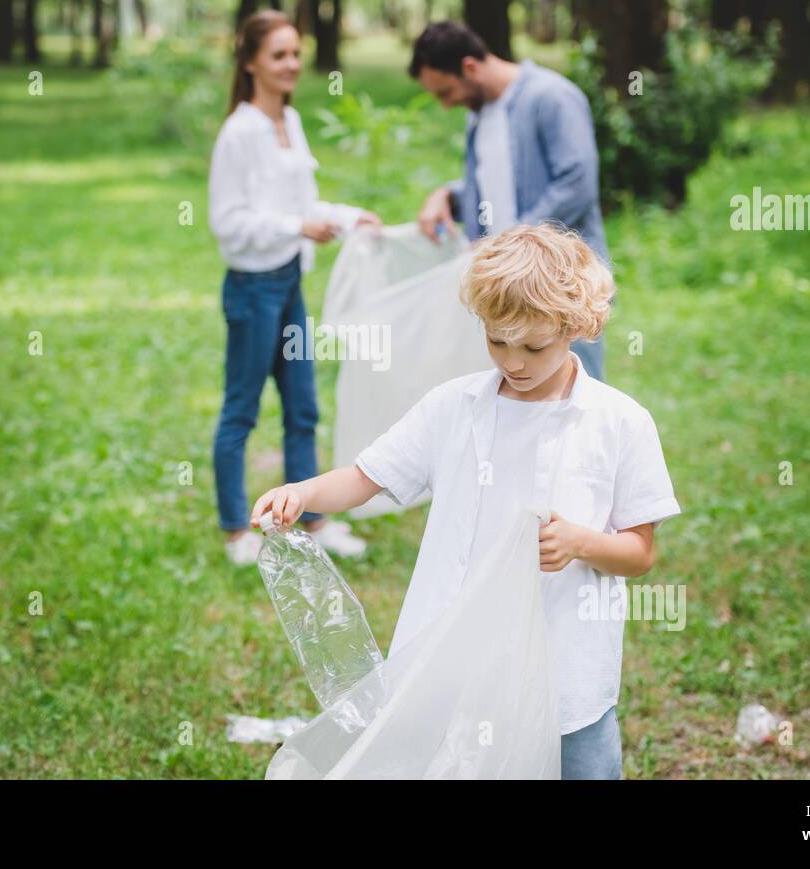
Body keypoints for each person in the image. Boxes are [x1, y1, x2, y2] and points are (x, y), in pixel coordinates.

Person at [250, 223, 681, 778]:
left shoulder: (620, 423)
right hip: (455, 664)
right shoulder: (452, 409)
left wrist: (582, 543)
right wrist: (303, 492)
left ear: (577, 326)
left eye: (534, 346)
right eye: (497, 341)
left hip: (565, 668)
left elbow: (640, 553)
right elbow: (367, 476)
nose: (514, 362)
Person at [208, 9, 379, 566]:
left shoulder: (292, 122)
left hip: (289, 287)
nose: (291, 65)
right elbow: (227, 222)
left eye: (296, 54)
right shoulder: (239, 132)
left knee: (303, 406)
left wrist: (351, 216)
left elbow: (304, 205)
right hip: (253, 290)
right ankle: (238, 531)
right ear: (251, 60)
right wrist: (295, 228)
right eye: (278, 54)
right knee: (242, 409)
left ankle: (314, 517)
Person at [408, 21, 611, 382]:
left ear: (469, 67)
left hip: (559, 281)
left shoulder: (552, 98)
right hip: (507, 282)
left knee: (574, 387)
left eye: (446, 92)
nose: (446, 105)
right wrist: (448, 195)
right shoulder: (480, 114)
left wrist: (510, 245)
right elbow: (492, 183)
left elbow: (576, 183)